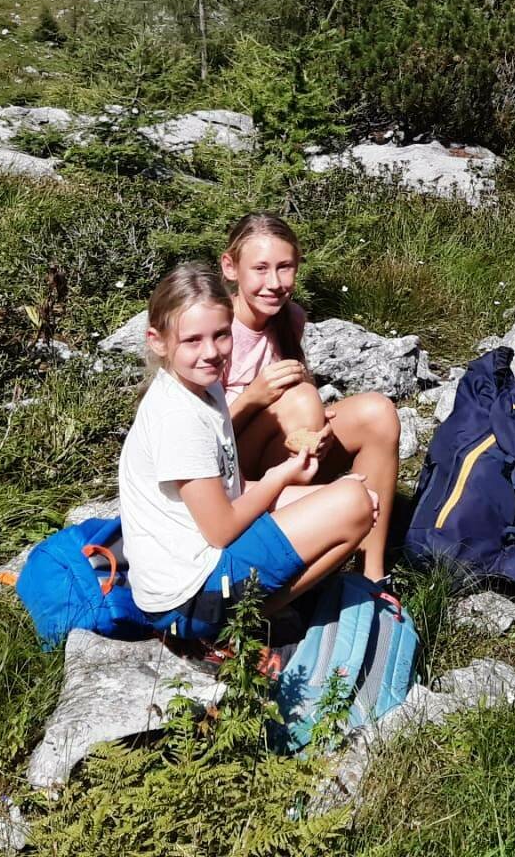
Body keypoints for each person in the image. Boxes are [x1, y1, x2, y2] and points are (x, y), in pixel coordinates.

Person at [119, 262, 375, 642]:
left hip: (197, 568)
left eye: (221, 335)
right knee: (353, 504)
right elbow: (222, 530)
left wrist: (312, 487)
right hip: (185, 600)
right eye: (192, 340)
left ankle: (254, 613)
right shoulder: (177, 418)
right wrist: (281, 477)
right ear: (157, 341)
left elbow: (232, 490)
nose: (210, 352)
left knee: (359, 499)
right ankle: (234, 626)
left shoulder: (203, 389)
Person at [221, 213, 402, 593]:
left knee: (377, 413)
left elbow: (298, 392)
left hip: (289, 453)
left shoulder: (290, 317)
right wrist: (252, 398)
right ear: (231, 267)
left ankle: (371, 575)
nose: (274, 283)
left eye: (285, 268)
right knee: (303, 399)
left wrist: (316, 419)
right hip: (225, 469)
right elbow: (197, 442)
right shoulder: (213, 332)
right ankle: (293, 541)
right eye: (260, 269)